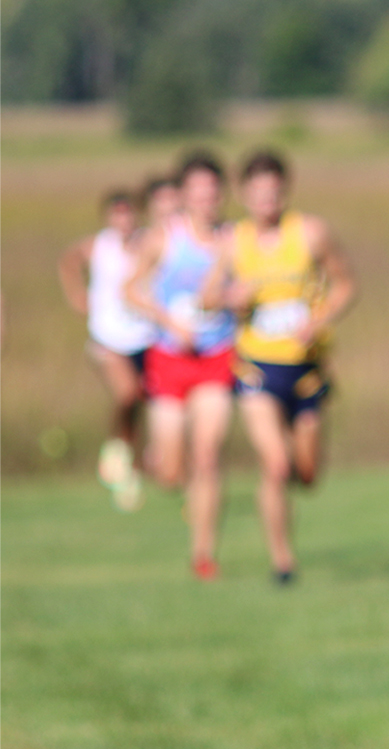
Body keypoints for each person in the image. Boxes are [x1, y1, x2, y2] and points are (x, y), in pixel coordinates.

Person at [204, 148, 357, 585]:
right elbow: (207, 295)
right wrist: (229, 297)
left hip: (307, 369)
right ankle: (282, 562)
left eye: (273, 193)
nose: (266, 202)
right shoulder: (233, 242)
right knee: (274, 464)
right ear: (245, 196)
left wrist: (321, 320)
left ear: (285, 191)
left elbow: (347, 284)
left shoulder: (310, 234)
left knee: (305, 475)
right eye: (257, 194)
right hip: (256, 368)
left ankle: (288, 509)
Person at [125, 150, 239, 580]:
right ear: (184, 195)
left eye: (213, 190)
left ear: (222, 194)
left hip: (216, 356)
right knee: (172, 473)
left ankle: (204, 554)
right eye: (197, 191)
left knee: (208, 455)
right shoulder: (164, 238)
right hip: (170, 358)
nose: (206, 198)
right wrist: (170, 319)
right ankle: (162, 462)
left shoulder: (233, 239)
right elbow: (131, 290)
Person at [58, 188, 160, 511]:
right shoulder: (98, 246)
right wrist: (78, 296)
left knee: (144, 402)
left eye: (129, 213)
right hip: (108, 336)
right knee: (127, 393)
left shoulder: (149, 242)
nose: (124, 220)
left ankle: (127, 463)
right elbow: (68, 261)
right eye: (117, 214)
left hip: (145, 335)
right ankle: (116, 449)